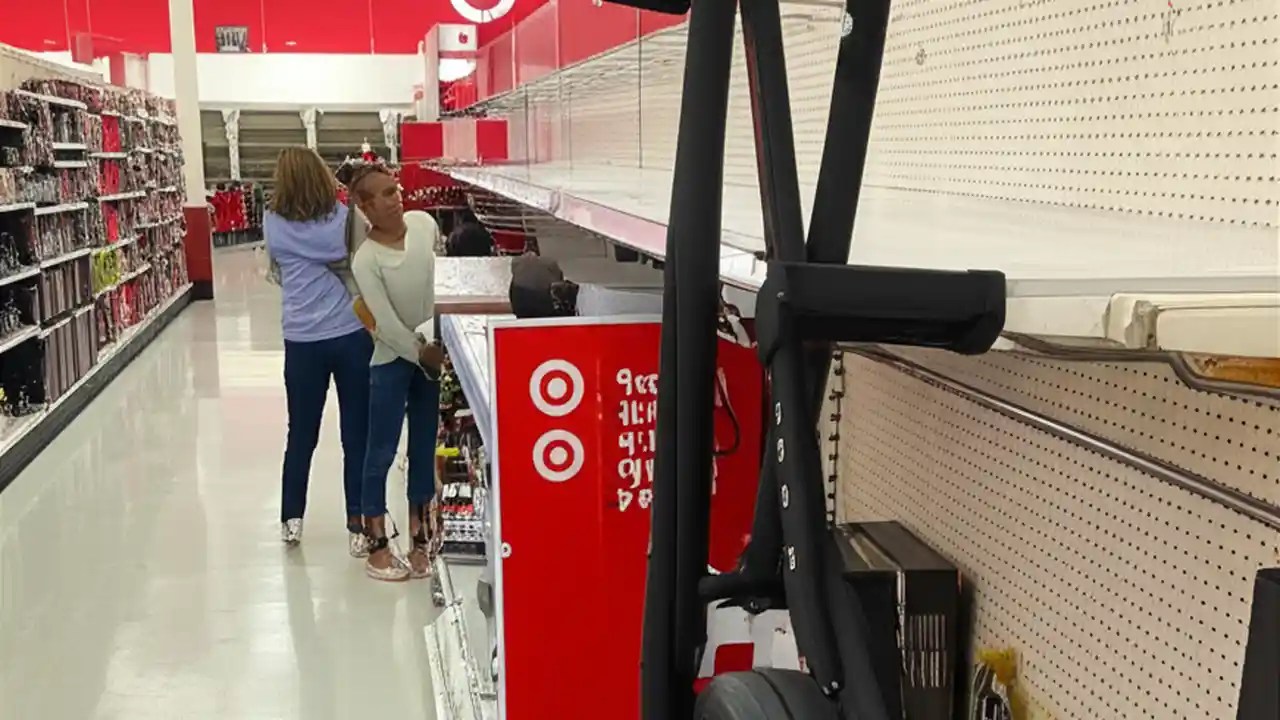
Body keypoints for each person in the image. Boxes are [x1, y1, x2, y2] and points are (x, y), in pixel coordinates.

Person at [264, 147, 373, 552]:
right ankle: (358, 525)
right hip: (349, 333)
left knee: (301, 433)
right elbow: (365, 263)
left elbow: (275, 269)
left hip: (301, 340)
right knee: (355, 434)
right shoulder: (345, 221)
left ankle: (292, 520)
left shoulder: (272, 222)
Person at [348, 164, 445, 582]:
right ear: (365, 207)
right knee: (381, 451)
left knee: (423, 449)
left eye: (396, 188)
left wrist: (438, 339)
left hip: (431, 355)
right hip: (392, 362)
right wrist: (421, 353)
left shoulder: (424, 226)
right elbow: (383, 323)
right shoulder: (365, 260)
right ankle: (377, 546)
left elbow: (437, 287)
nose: (397, 196)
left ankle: (421, 541)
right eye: (385, 194)